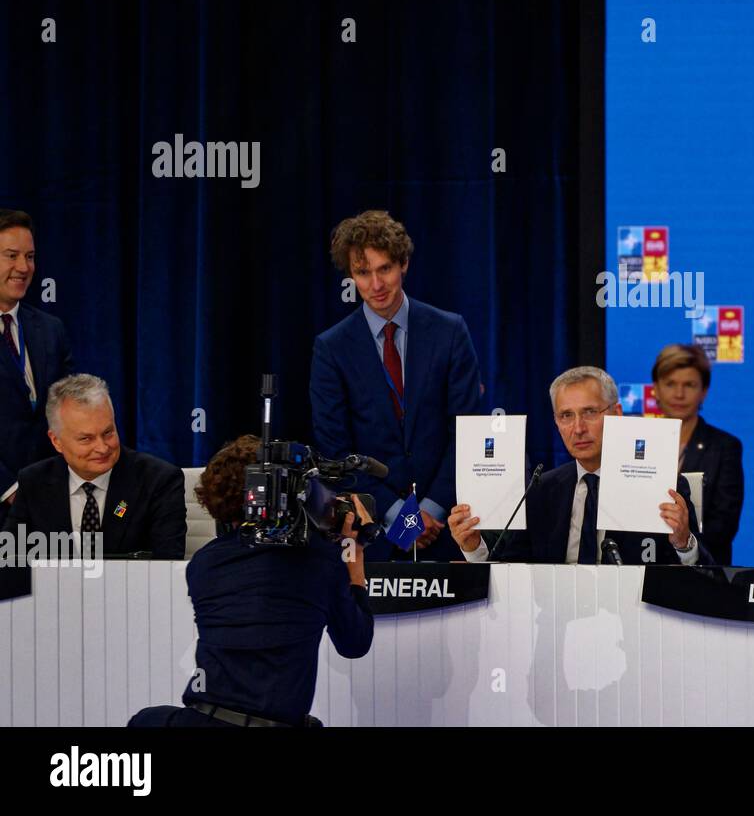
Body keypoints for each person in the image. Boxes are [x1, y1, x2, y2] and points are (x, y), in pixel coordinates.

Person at [128, 435, 375, 726]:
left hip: (204, 718)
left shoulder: (204, 563)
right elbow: (355, 643)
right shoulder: (319, 561)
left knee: (145, 721)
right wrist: (353, 557)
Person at [310, 210, 484, 561]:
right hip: (374, 539)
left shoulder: (449, 332)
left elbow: (467, 431)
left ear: (403, 263)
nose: (376, 285)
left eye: (384, 268)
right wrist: (404, 522)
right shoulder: (331, 348)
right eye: (363, 272)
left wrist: (431, 511)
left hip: (448, 529)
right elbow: (337, 453)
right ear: (351, 276)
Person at [449, 366, 711, 564]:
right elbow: (510, 574)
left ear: (617, 413)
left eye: (590, 412)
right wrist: (474, 547)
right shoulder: (540, 491)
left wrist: (683, 542)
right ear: (556, 422)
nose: (578, 428)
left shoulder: (664, 485)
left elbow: (705, 578)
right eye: (566, 416)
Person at [5, 374, 186, 559]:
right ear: (56, 441)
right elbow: (9, 562)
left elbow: (166, 565)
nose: (102, 448)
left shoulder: (159, 481)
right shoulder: (33, 482)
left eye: (108, 433)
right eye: (86, 439)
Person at [0, 209, 74, 528]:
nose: (23, 267)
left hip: (48, 503)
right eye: (11, 255)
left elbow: (69, 409)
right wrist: (11, 489)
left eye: (29, 256)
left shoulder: (50, 328)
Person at [652, 343, 744, 565]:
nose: (679, 394)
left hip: (703, 573)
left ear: (704, 391)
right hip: (642, 569)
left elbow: (724, 527)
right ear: (656, 388)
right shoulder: (640, 442)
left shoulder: (724, 447)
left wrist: (684, 542)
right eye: (671, 384)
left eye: (689, 385)